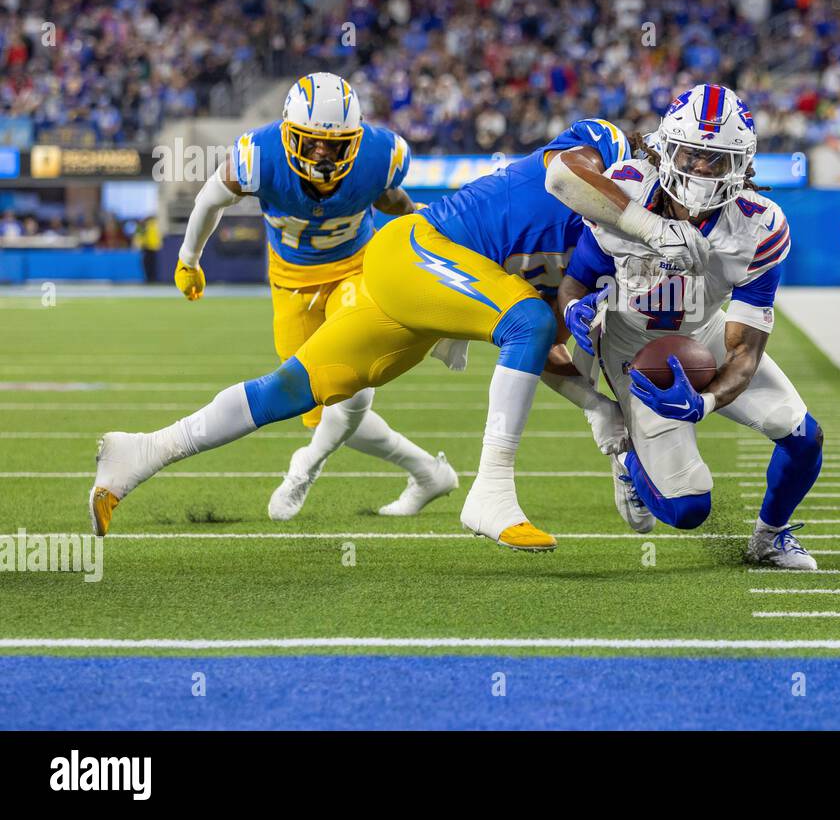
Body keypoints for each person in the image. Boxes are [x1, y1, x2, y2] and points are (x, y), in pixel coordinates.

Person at [89, 108, 708, 551]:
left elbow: (539, 348)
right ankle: (490, 491)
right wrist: (653, 231)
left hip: (417, 287)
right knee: (526, 317)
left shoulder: (608, 252)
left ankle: (140, 452)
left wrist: (597, 408)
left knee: (295, 389)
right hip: (414, 249)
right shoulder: (605, 147)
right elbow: (561, 182)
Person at [168, 72, 454, 523]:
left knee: (351, 384)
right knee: (322, 407)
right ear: (289, 134)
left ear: (355, 141)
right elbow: (209, 199)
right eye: (312, 141)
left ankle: (306, 465)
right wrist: (189, 257)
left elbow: (392, 199)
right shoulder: (259, 156)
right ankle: (428, 472)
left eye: (334, 144)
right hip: (292, 285)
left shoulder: (379, 156)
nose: (322, 151)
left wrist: (415, 224)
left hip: (357, 272)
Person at [559, 83, 822, 569]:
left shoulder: (758, 226)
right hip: (634, 349)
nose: (701, 168)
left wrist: (706, 402)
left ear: (742, 164)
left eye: (716, 158)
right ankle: (628, 460)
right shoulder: (627, 191)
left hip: (705, 333)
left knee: (804, 437)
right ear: (665, 149)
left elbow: (744, 352)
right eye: (691, 153)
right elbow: (577, 278)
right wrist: (576, 307)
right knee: (687, 510)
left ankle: (770, 537)